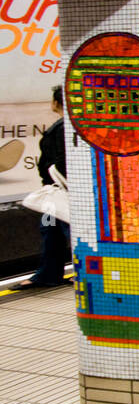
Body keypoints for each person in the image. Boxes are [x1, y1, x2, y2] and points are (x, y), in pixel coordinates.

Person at [19, 86, 71, 289]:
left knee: (61, 231)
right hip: (56, 194)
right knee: (51, 231)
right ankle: (49, 273)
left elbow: (62, 161)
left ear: (56, 103)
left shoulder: (62, 128)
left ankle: (54, 273)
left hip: (59, 193)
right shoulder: (66, 126)